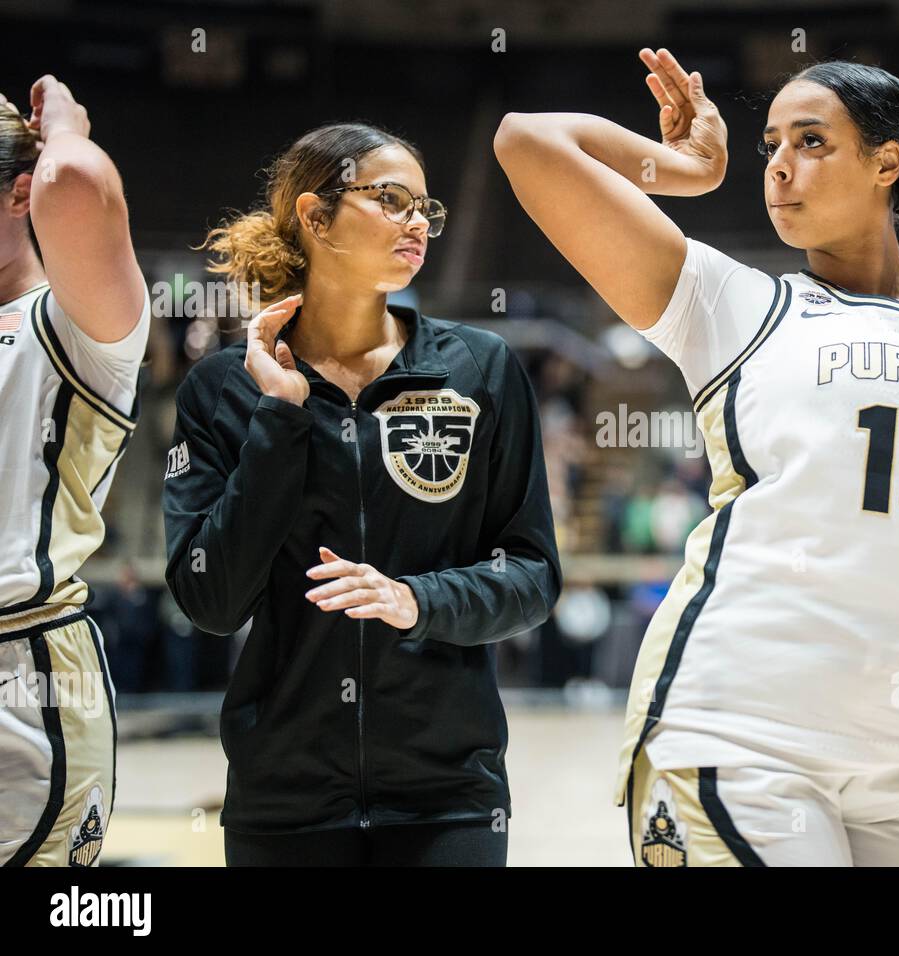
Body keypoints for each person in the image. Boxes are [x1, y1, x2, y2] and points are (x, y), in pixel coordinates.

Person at [496, 51, 899, 866]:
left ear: (886, 161)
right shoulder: (732, 301)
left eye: (810, 141)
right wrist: (683, 167)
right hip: (736, 732)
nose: (777, 168)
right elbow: (526, 142)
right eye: (770, 146)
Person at [162, 123, 561, 866]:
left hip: (449, 797)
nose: (418, 222)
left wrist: (417, 601)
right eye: (392, 199)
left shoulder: (479, 369)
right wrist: (279, 417)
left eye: (426, 208)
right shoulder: (223, 389)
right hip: (285, 800)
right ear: (315, 216)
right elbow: (209, 601)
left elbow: (533, 576)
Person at [0, 78, 150, 867]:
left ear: (19, 192)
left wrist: (64, 123)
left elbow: (76, 182)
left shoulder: (71, 322)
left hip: (25, 676)